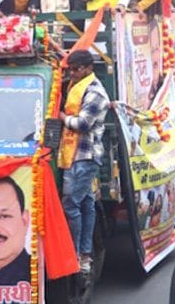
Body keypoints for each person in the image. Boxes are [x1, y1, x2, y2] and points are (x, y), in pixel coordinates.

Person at [58, 50, 110, 274]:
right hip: (73, 154)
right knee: (86, 204)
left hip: (85, 156)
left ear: (88, 68)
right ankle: (86, 254)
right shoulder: (75, 86)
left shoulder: (95, 92)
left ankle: (77, 253)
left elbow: (83, 124)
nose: (73, 73)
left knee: (71, 204)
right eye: (70, 69)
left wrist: (62, 118)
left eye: (76, 69)